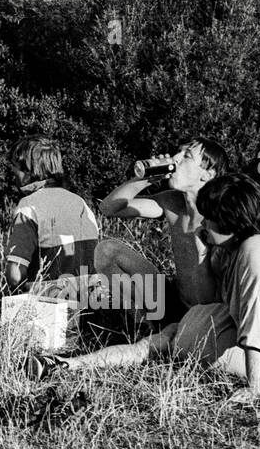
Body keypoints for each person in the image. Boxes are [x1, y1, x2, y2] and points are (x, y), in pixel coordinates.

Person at [29, 175, 260, 401]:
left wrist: (255, 388)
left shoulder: (253, 259)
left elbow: (256, 326)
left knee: (165, 342)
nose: (203, 225)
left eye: (209, 220)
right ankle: (71, 363)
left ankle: (70, 365)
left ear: (230, 220)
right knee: (169, 334)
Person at [95, 137, 232, 325]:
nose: (176, 158)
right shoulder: (172, 202)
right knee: (107, 251)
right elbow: (109, 208)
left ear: (207, 174)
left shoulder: (221, 218)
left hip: (208, 317)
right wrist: (144, 179)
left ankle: (172, 335)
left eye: (187, 156)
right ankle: (144, 325)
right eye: (179, 151)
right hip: (174, 303)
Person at [4, 137, 100, 294]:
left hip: (49, 304)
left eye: (15, 168)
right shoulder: (80, 203)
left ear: (29, 170)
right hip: (90, 302)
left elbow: (15, 275)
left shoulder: (28, 206)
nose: (13, 173)